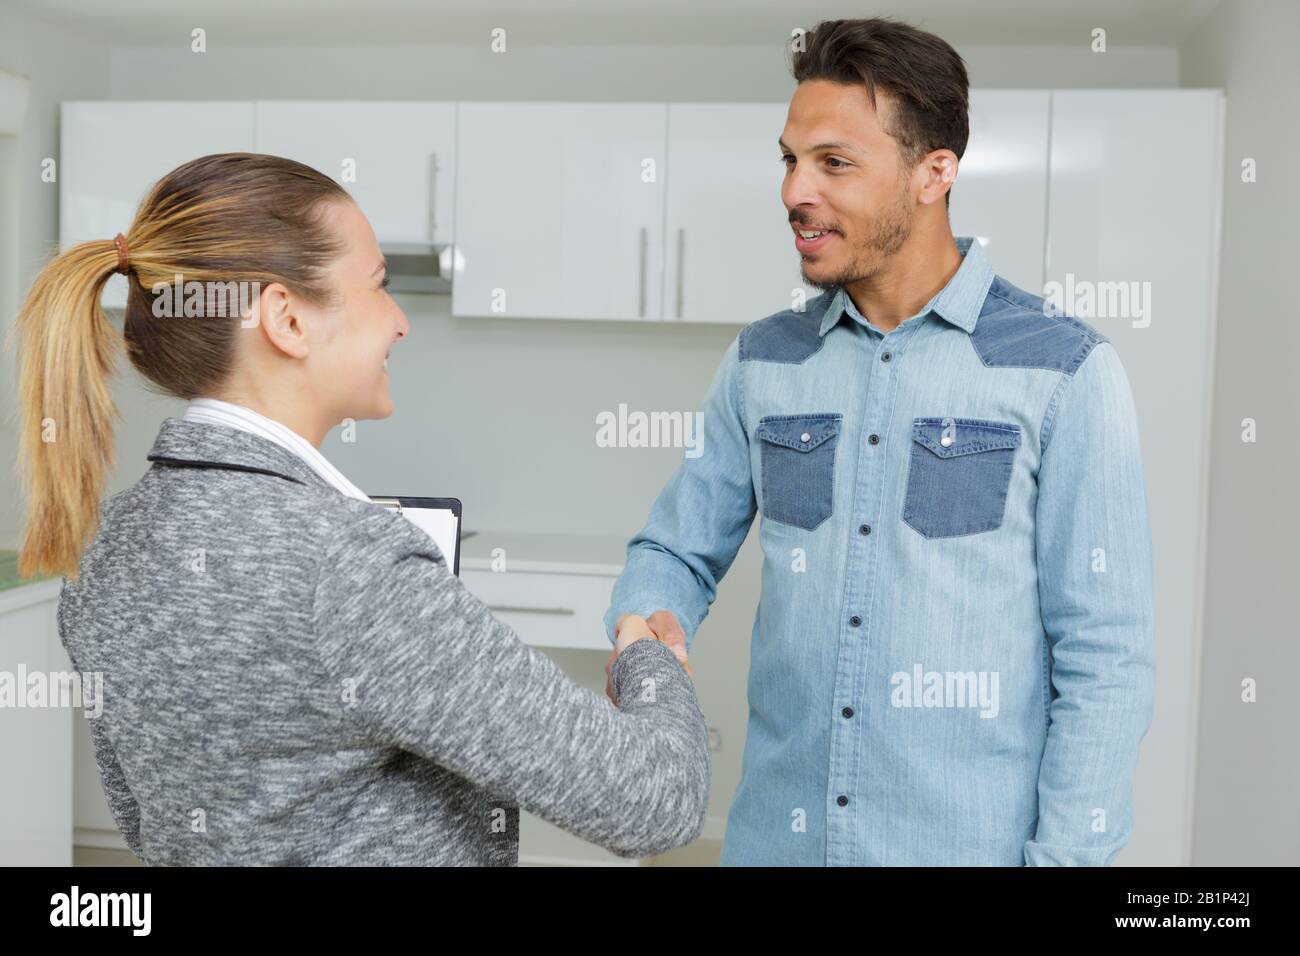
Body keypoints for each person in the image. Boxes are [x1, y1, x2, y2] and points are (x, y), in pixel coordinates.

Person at [13, 151, 708, 865]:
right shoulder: (350, 566)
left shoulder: (106, 547)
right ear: (287, 320)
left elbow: (147, 820)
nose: (400, 322)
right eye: (378, 287)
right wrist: (649, 663)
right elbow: (655, 800)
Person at [604, 17, 1156, 866]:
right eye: (790, 159)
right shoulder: (763, 360)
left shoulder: (1065, 370)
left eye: (835, 163)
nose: (795, 191)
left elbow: (1105, 661)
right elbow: (673, 550)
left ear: (935, 172)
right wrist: (648, 636)